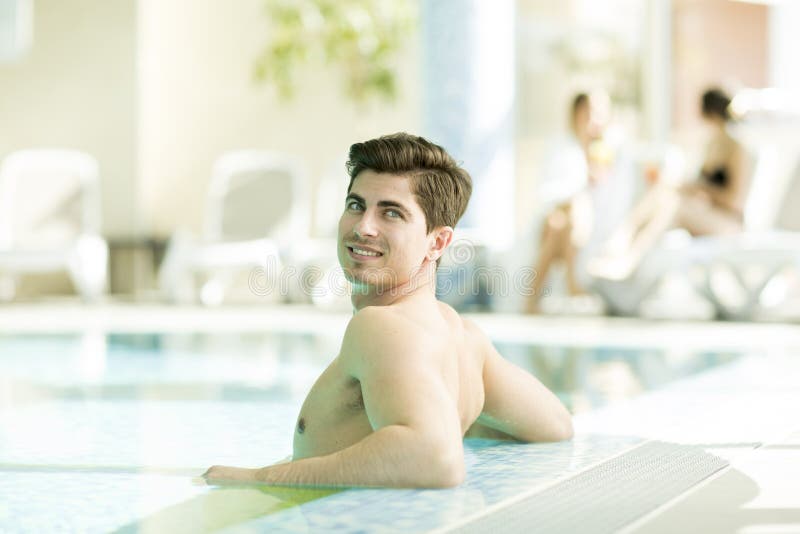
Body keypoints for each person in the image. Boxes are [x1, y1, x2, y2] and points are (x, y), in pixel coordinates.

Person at [203, 133, 573, 488]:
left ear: (438, 241)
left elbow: (436, 459)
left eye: (391, 213)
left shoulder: (378, 326)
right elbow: (556, 424)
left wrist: (262, 478)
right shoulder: (462, 337)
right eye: (355, 205)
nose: (364, 227)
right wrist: (456, 420)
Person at [588, 88, 748, 281]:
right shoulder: (712, 144)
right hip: (707, 215)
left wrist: (698, 189)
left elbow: (734, 201)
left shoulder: (737, 148)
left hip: (728, 224)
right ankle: (622, 239)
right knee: (664, 192)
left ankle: (629, 260)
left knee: (674, 206)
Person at [525, 92, 609, 313]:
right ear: (577, 114)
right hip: (563, 216)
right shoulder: (562, 147)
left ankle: (531, 300)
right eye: (590, 112)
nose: (596, 119)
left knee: (558, 224)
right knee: (562, 217)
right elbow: (547, 191)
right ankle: (573, 286)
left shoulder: (604, 150)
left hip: (581, 222)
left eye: (601, 113)